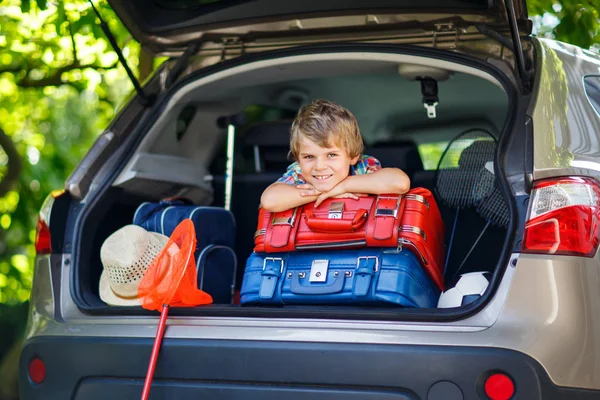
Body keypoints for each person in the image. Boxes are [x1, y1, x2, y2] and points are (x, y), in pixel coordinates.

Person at [260, 99, 410, 212]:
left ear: (353, 156)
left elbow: (400, 183)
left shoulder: (363, 167)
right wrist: (324, 193)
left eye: (331, 155)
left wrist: (344, 186)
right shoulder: (299, 173)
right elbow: (269, 200)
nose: (319, 166)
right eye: (309, 157)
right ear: (298, 159)